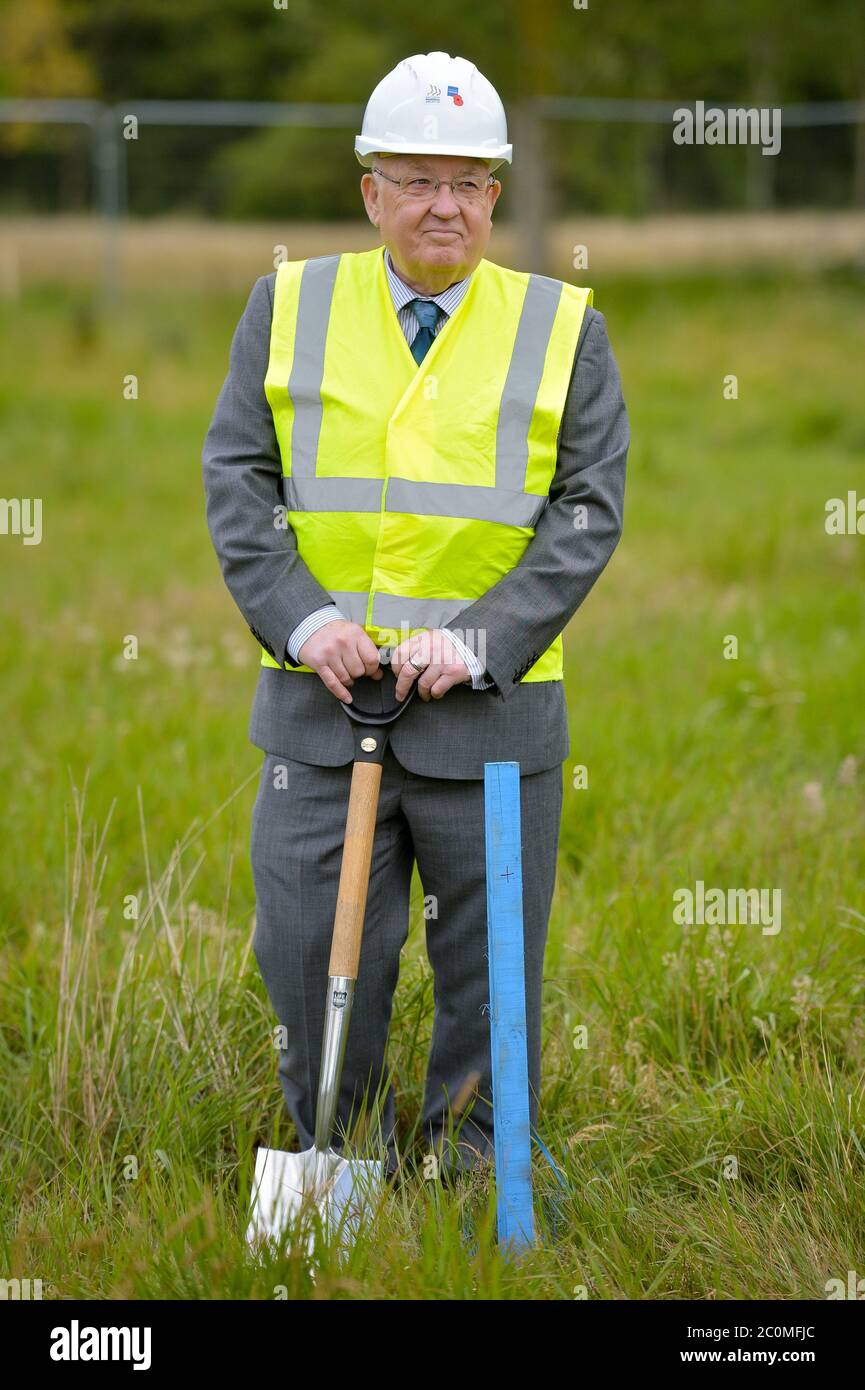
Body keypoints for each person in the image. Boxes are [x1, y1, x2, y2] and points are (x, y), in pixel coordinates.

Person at [201, 51, 629, 1182]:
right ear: (370, 192)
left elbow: (588, 509)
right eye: (419, 178)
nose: (447, 204)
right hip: (317, 709)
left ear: (497, 193)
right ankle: (335, 1156)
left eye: (472, 181)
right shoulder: (285, 306)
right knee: (304, 953)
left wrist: (479, 640)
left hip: (489, 719)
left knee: (491, 969)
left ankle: (472, 1162)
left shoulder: (563, 328)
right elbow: (238, 477)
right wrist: (302, 622)